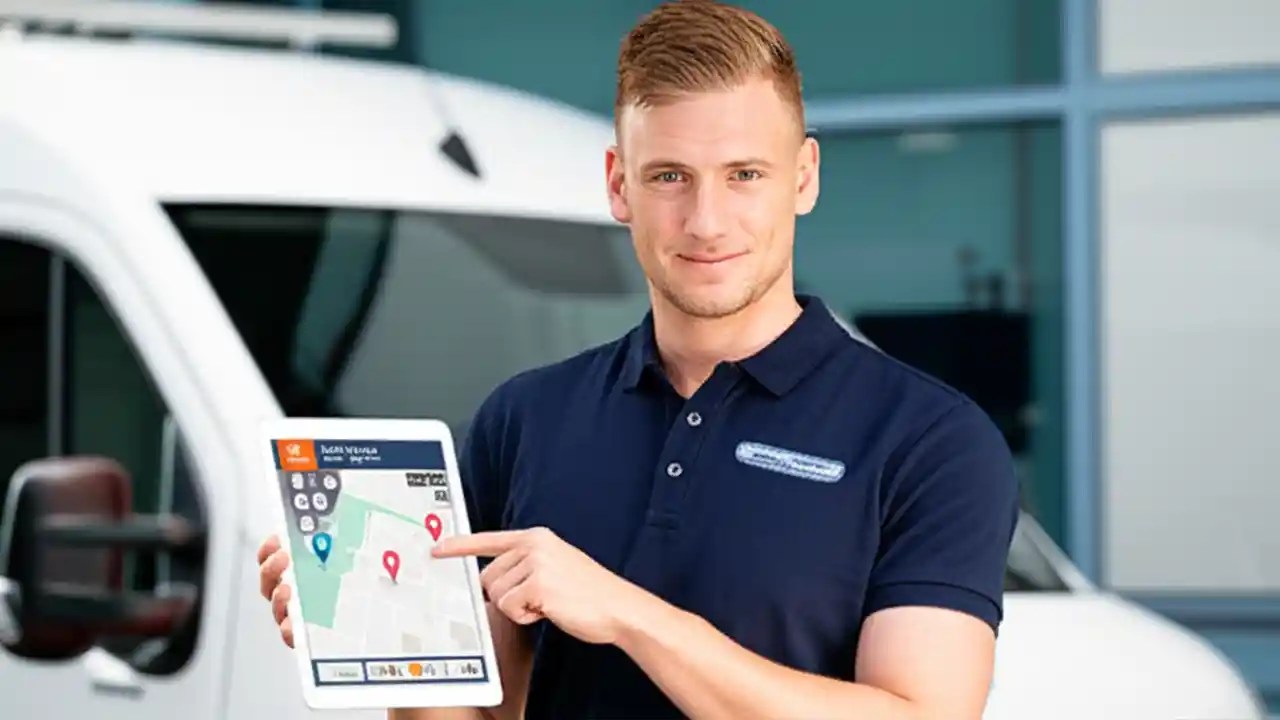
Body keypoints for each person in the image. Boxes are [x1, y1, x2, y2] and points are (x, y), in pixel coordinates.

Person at [256, 1, 1020, 718]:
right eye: (669, 177)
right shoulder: (524, 419)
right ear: (620, 184)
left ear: (805, 177)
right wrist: (381, 639)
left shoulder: (930, 441)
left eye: (744, 175)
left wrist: (627, 614)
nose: (706, 219)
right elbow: (482, 715)